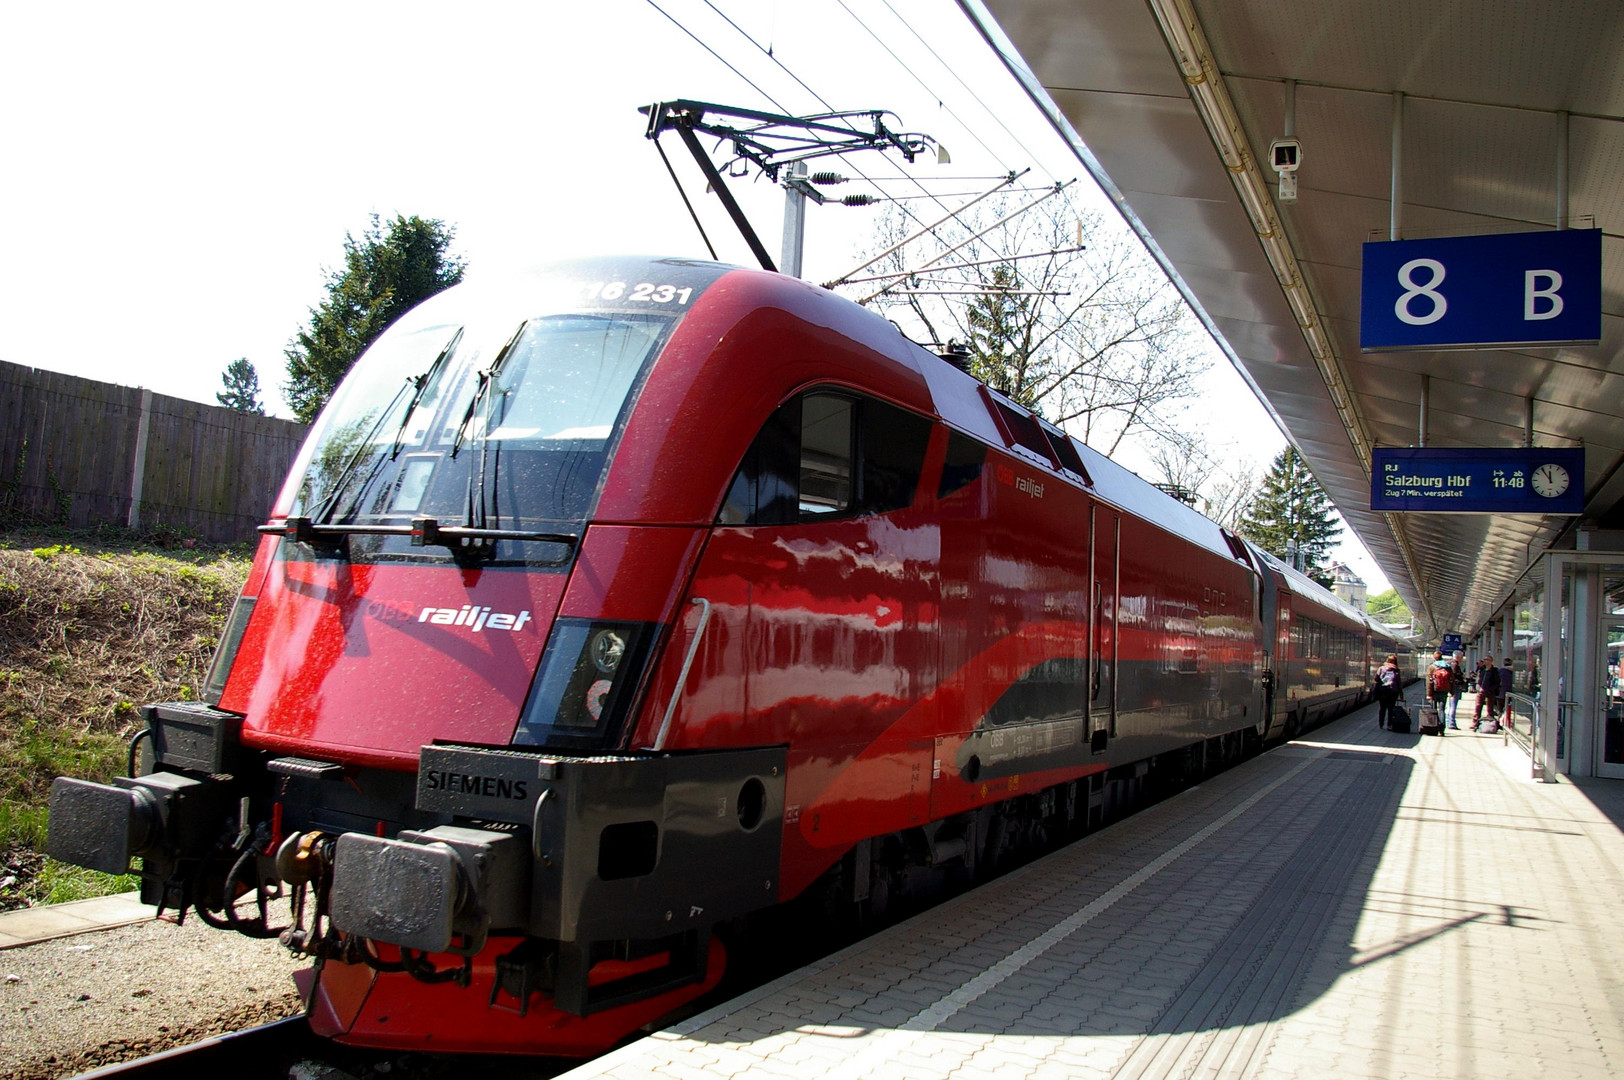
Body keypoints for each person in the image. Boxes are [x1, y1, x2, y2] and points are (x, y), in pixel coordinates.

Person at [1374, 653, 1402, 729]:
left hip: (1382, 691)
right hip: (1393, 692)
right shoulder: (1396, 670)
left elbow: (1376, 679)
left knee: (1382, 708)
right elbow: (1399, 683)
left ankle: (1381, 724)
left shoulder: (1381, 668)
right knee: (1391, 709)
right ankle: (1389, 725)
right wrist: (1401, 695)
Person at [1427, 651, 1452, 734]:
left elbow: (1429, 682)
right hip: (1444, 691)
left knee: (1433, 710)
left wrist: (1428, 694)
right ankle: (1441, 730)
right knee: (1441, 710)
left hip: (1434, 691)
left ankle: (1434, 727)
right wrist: (1452, 691)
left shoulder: (1432, 667)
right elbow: (1451, 680)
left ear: (1434, 658)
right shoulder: (1447, 667)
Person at [1473, 659, 1500, 728]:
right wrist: (1478, 688)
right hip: (1480, 692)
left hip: (1490, 692)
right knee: (1478, 707)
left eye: (1488, 660)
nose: (1486, 661)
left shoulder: (1494, 671)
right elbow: (1478, 679)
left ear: (1491, 661)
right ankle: (1475, 723)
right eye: (1485, 660)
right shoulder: (1482, 670)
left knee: (1490, 708)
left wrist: (1490, 689)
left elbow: (1497, 682)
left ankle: (1490, 724)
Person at [1447, 650, 1467, 728]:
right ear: (1459, 657)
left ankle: (1448, 721)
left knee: (1450, 705)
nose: (1462, 659)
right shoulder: (1455, 665)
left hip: (1451, 687)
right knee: (1453, 706)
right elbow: (1454, 677)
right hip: (1455, 688)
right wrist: (1462, 679)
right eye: (1462, 657)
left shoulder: (1450, 664)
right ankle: (1451, 723)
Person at [1500, 656, 1517, 725]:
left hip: (1501, 693)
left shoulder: (1500, 671)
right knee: (1508, 708)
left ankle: (1502, 722)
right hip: (1510, 692)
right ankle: (1506, 722)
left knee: (1501, 709)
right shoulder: (1513, 672)